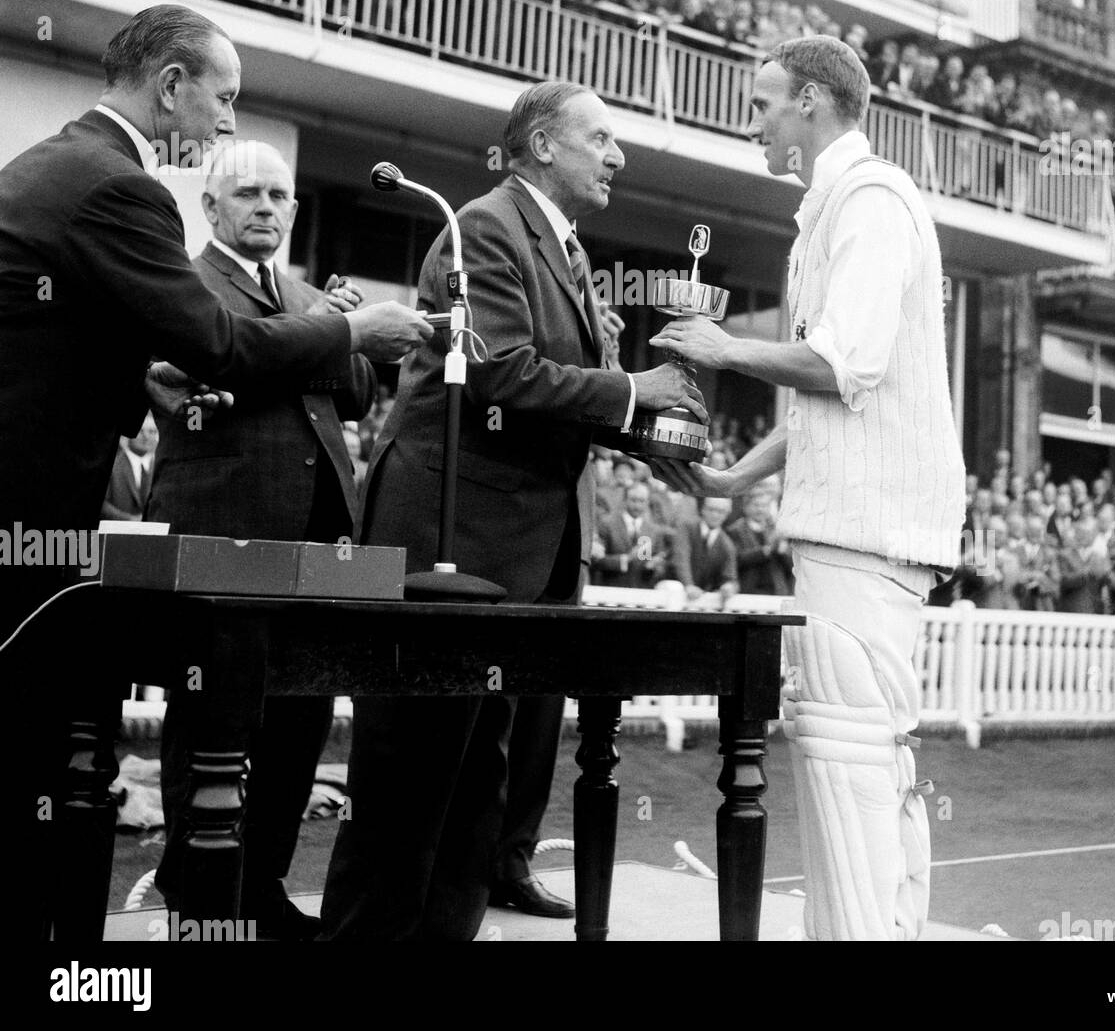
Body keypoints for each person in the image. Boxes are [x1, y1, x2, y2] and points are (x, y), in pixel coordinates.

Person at [0, 4, 433, 942]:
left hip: (47, 502)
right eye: (225, 100)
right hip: (33, 506)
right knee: (39, 762)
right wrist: (354, 330)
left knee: (57, 760)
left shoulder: (60, 165)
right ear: (171, 86)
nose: (228, 125)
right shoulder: (123, 188)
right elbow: (223, 343)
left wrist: (141, 364)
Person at [318, 81, 705, 941]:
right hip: (450, 531)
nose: (619, 156)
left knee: (477, 781)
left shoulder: (566, 250)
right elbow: (502, 375)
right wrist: (635, 387)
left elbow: (566, 403)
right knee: (410, 775)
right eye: (600, 138)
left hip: (518, 547)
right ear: (539, 145)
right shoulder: (485, 226)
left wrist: (668, 444)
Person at [650, 36, 964, 941]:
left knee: (850, 753)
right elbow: (834, 397)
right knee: (858, 751)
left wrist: (722, 347)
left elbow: (845, 362)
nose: (754, 124)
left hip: (872, 534)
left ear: (816, 103)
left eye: (765, 103)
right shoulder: (836, 208)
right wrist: (731, 475)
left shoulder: (869, 198)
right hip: (861, 527)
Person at [146, 140, 377, 941]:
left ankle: (261, 882)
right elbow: (212, 374)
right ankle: (196, 885)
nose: (267, 208)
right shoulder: (186, 282)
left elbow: (356, 393)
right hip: (221, 521)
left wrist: (334, 332)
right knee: (212, 713)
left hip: (317, 535)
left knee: (299, 718)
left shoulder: (306, 294)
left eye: (280, 196)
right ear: (210, 208)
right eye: (248, 194)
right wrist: (325, 332)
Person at [679, 497, 738, 602]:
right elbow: (681, 559)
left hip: (701, 596)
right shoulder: (687, 528)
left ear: (727, 515)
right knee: (674, 588)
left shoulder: (727, 544)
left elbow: (730, 577)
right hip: (676, 586)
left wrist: (728, 587)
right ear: (702, 509)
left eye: (721, 511)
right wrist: (688, 585)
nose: (715, 515)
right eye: (711, 509)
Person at [100, 414, 158, 521]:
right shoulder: (111, 465)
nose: (146, 436)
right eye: (141, 431)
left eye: (152, 432)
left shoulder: (160, 468)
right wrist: (130, 519)